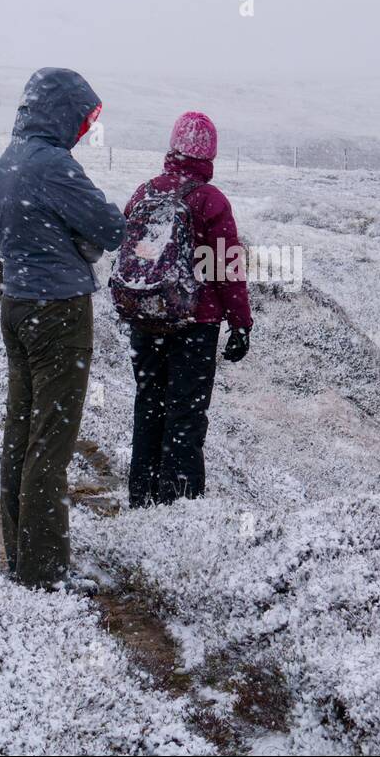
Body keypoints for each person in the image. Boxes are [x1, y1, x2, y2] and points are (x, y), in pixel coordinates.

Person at [0, 67, 124, 591]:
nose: (83, 130)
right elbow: (110, 228)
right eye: (81, 118)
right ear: (61, 113)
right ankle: (46, 573)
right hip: (59, 312)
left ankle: (21, 556)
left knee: (21, 431)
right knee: (52, 441)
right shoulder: (53, 167)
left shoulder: (9, 161)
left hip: (16, 305)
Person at [119, 111, 252, 507]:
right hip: (195, 324)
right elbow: (226, 265)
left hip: (146, 317)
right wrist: (240, 323)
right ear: (210, 153)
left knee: (148, 409)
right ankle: (181, 510)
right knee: (186, 418)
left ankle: (141, 502)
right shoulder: (210, 200)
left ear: (173, 146)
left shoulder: (144, 193)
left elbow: (130, 252)